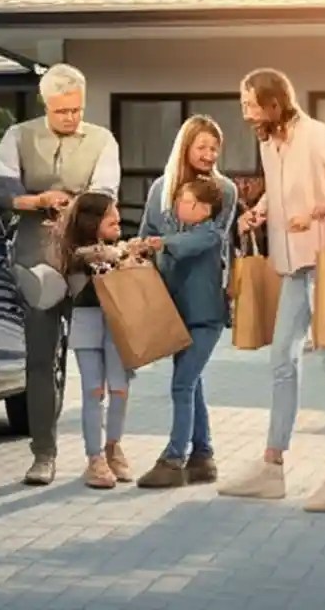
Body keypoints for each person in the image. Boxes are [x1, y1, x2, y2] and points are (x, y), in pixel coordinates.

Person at [217, 68, 325, 512]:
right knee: (281, 359)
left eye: (250, 104)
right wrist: (261, 210)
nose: (245, 113)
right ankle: (272, 467)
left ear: (273, 104)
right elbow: (283, 189)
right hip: (292, 267)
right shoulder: (270, 142)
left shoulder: (316, 134)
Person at [0, 63, 120, 486]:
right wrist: (40, 199)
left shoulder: (102, 140)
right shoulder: (18, 136)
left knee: (100, 360)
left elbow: (105, 193)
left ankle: (105, 451)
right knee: (41, 360)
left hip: (85, 260)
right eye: (62, 110)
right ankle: (42, 453)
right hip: (36, 261)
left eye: (77, 110)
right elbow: (5, 192)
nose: (71, 117)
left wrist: (75, 204)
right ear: (46, 104)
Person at [133, 115, 238, 489]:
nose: (209, 154)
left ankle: (173, 458)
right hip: (170, 305)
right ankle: (203, 457)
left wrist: (165, 244)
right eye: (202, 147)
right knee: (191, 382)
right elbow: (145, 233)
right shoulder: (161, 189)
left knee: (182, 384)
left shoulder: (223, 191)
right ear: (186, 146)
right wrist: (138, 250)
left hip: (206, 305)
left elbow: (211, 237)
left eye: (214, 148)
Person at [54, 193, 155, 489]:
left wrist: (130, 251)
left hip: (117, 324)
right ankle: (94, 458)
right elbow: (92, 257)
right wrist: (121, 253)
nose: (118, 218)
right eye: (111, 215)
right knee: (93, 390)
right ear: (91, 221)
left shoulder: (119, 251)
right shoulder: (77, 254)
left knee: (120, 389)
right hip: (87, 323)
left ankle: (114, 447)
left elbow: (118, 256)